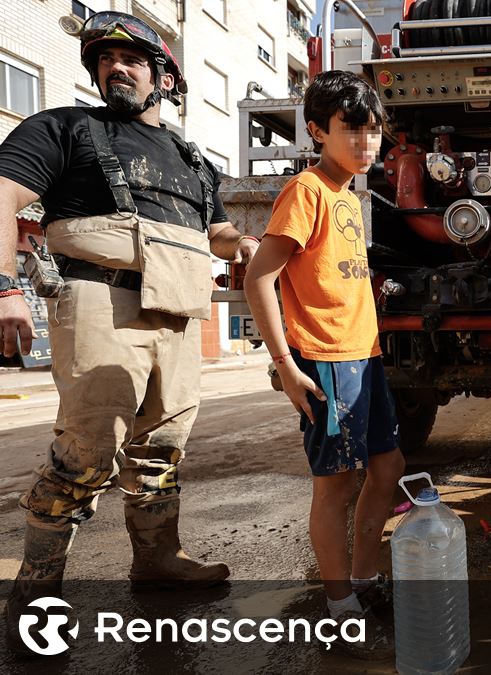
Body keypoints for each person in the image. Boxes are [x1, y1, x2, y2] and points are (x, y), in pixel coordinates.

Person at [0, 12, 257, 652]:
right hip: (98, 301)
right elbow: (2, 197)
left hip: (176, 309)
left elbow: (213, 230)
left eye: (133, 59)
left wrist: (242, 243)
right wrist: (4, 286)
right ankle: (37, 587)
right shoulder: (63, 127)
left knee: (163, 447)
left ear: (163, 77)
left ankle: (158, 562)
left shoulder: (191, 158)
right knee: (90, 450)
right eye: (105, 60)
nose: (116, 67)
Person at [243, 70, 404, 659]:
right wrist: (285, 363)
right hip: (327, 360)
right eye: (352, 130)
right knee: (336, 487)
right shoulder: (307, 190)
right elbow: (260, 274)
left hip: (366, 355)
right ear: (316, 131)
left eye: (374, 131)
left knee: (388, 471)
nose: (367, 143)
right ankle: (339, 609)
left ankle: (364, 581)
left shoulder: (347, 195)